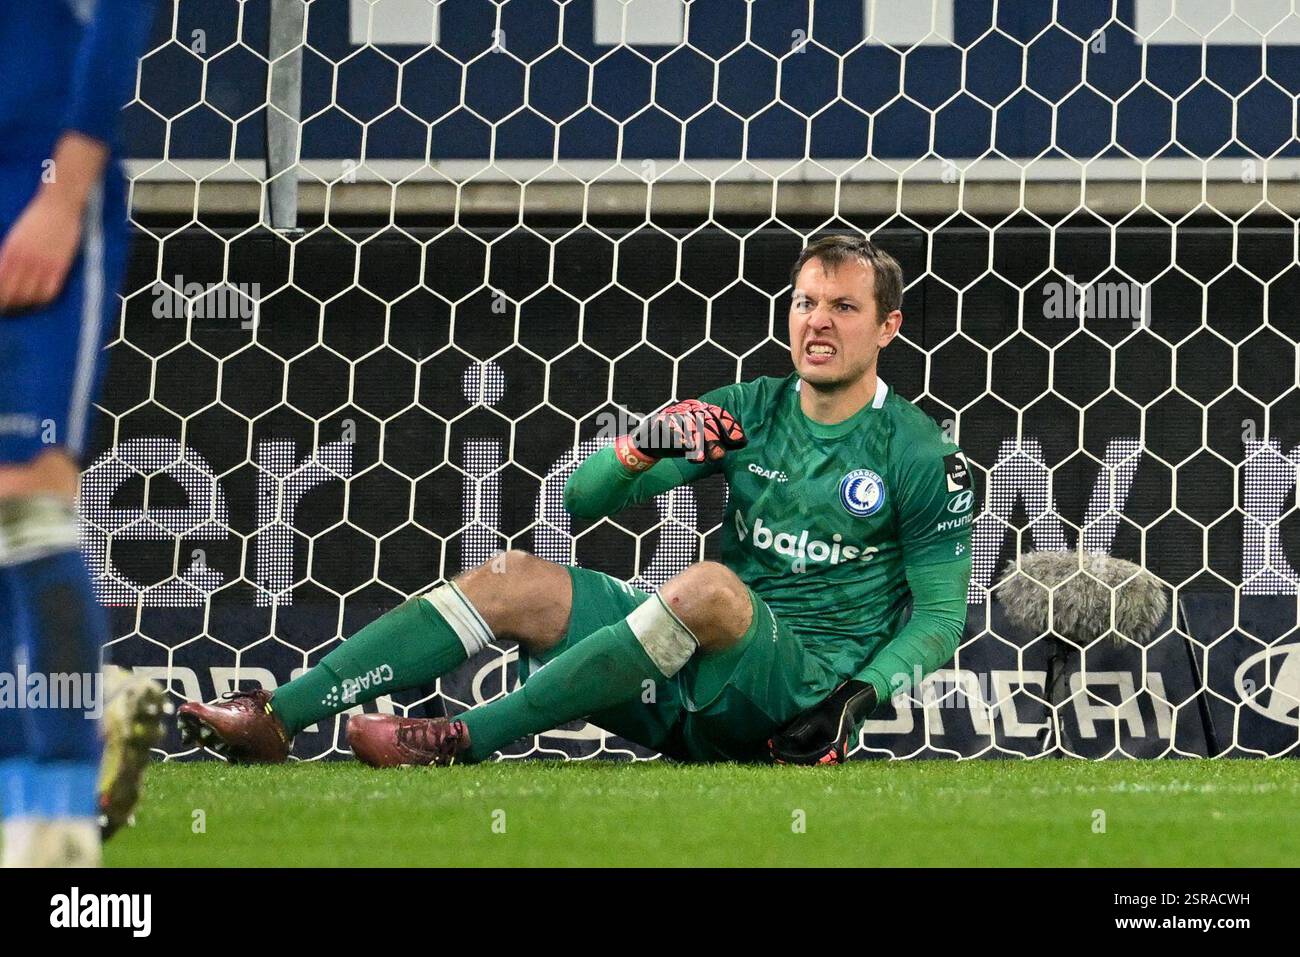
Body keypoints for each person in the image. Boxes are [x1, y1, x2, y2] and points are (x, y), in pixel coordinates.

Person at [179, 235, 975, 768]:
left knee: (710, 587)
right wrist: (641, 445)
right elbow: (581, 498)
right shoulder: (750, 408)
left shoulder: (917, 452)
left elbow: (941, 617)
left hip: (793, 699)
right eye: (806, 302)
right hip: (689, 669)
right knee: (513, 578)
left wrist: (853, 699)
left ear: (888, 328)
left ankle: (458, 738)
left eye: (843, 307)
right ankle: (276, 715)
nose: (818, 323)